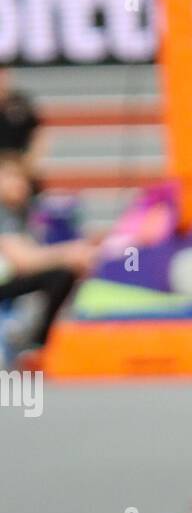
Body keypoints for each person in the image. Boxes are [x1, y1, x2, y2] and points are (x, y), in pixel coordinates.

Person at [0, 152, 94, 366]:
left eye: (21, 179)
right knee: (60, 274)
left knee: (62, 274)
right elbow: (23, 261)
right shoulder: (3, 214)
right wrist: (69, 253)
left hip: (13, 281)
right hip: (7, 281)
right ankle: (36, 343)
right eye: (10, 178)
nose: (18, 185)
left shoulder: (24, 213)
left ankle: (38, 341)